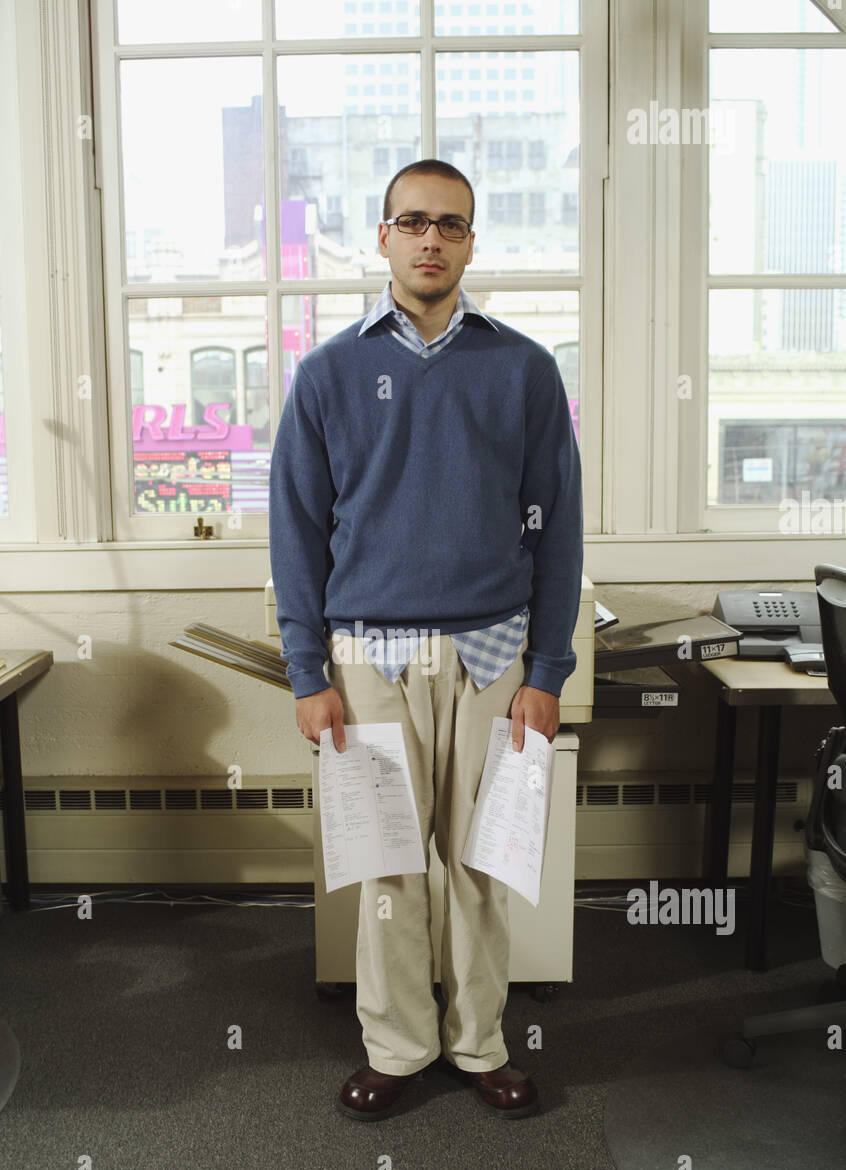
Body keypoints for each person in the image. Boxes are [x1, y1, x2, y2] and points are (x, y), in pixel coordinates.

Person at [268, 159, 583, 1121]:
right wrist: (306, 671)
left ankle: (480, 1042)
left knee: (483, 868)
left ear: (472, 242)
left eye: (451, 225)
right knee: (391, 872)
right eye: (414, 222)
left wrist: (547, 672)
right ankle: (398, 1047)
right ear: (383, 238)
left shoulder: (525, 370)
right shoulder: (326, 375)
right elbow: (295, 530)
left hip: (493, 658)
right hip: (367, 661)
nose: (431, 240)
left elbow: (558, 527)